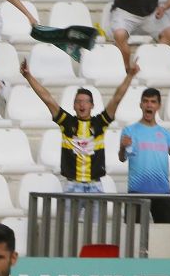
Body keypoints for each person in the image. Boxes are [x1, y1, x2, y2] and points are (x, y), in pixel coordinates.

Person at [21, 58, 139, 194]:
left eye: (86, 102)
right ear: (73, 105)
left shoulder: (100, 122)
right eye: (78, 101)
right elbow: (47, 99)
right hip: (72, 185)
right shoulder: (66, 122)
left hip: (95, 185)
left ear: (92, 105)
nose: (82, 105)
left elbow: (116, 98)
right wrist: (28, 76)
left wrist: (130, 75)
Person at [118, 88, 170, 224]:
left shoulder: (166, 134)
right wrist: (122, 147)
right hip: (136, 192)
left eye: (153, 102)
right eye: (145, 101)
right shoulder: (129, 130)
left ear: (158, 106)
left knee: (167, 232)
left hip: (162, 192)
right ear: (141, 105)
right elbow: (122, 158)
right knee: (133, 233)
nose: (149, 105)